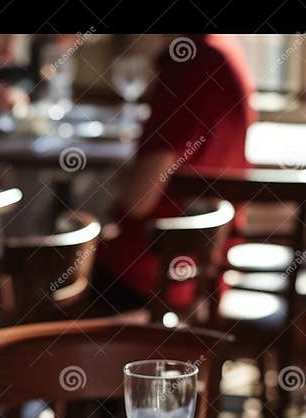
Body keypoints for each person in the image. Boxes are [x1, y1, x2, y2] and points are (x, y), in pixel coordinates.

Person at [92, 33, 256, 312]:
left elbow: (138, 201)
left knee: (57, 268)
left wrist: (123, 178)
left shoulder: (191, 62)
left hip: (156, 272)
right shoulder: (223, 48)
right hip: (206, 269)